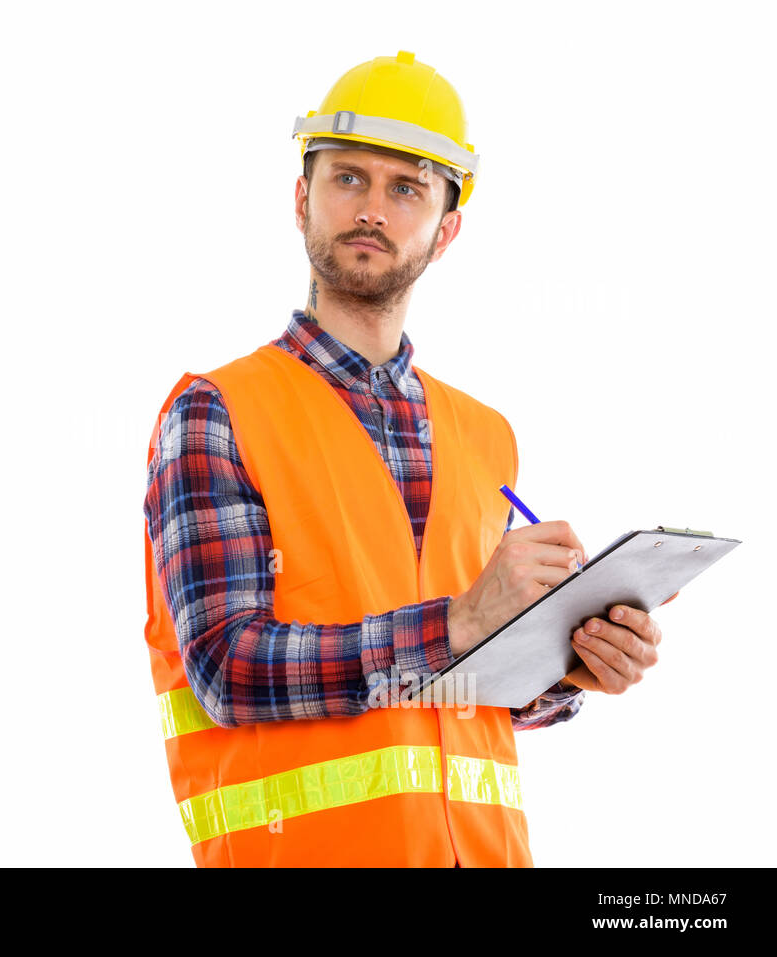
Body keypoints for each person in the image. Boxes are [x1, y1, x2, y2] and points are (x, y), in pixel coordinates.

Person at [141, 51, 667, 868]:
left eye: (407, 188)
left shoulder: (485, 435)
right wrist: (460, 621)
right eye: (347, 178)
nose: (371, 210)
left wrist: (563, 664)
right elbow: (227, 670)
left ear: (446, 230)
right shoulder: (217, 413)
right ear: (300, 199)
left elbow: (443, 690)